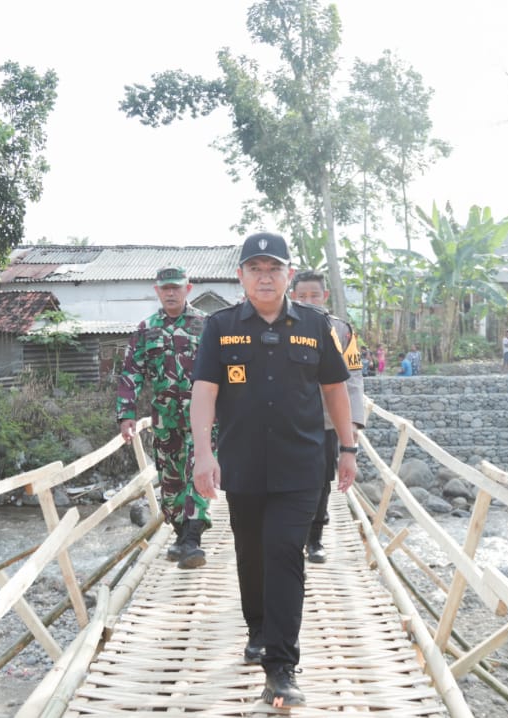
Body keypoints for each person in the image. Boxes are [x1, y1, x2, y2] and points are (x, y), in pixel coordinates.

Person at [191, 232, 358, 709]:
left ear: (288, 274)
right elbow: (204, 391)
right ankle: (259, 629)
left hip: (301, 464)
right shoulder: (220, 327)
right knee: (252, 553)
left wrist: (348, 448)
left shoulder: (315, 324)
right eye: (255, 268)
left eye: (274, 268)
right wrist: (204, 454)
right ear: (241, 276)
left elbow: (335, 390)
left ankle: (281, 667)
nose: (265, 277)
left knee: (286, 552)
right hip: (242, 464)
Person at [116, 265, 210, 569]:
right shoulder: (146, 329)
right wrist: (126, 414)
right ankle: (181, 533)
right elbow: (131, 372)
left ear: (188, 289)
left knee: (197, 472)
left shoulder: (206, 326)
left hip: (202, 416)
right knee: (170, 477)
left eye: (176, 288)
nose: (171, 293)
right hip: (164, 418)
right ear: (157, 291)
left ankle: (193, 538)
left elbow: (222, 371)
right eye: (165, 288)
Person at [289, 270, 366, 565]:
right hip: (290, 420)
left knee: (322, 481)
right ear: (292, 295)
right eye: (302, 296)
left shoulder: (342, 330)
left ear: (326, 297)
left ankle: (315, 538)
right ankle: (294, 534)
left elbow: (354, 380)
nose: (308, 301)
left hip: (327, 421)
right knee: (292, 479)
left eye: (314, 295)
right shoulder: (284, 327)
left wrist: (353, 425)